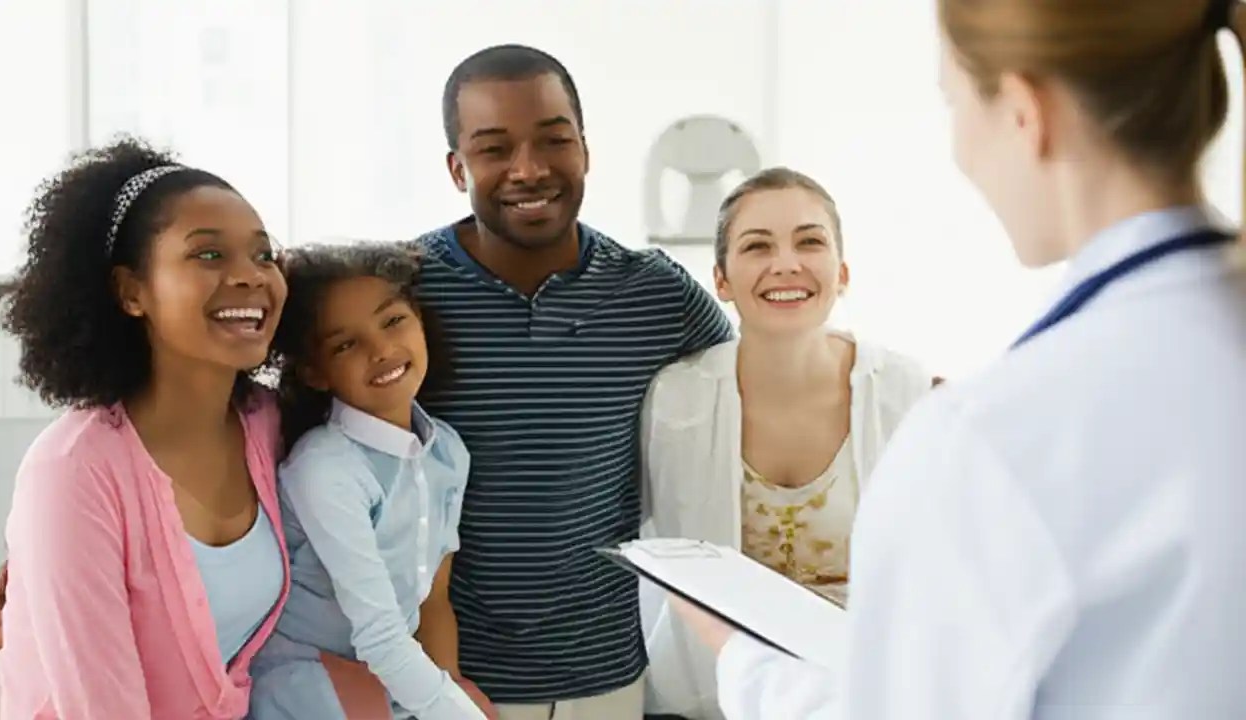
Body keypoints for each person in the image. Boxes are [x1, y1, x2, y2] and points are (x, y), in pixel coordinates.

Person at [674, 0, 1246, 718]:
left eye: (953, 102)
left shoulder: (991, 437)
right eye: (757, 244)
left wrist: (741, 655)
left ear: (1022, 110)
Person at [413, 44, 734, 718]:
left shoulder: (656, 294)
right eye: (495, 149)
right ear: (456, 167)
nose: (528, 170)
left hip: (608, 674)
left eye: (553, 141)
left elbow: (751, 385)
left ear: (585, 150)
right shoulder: (402, 293)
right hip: (452, 680)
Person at [0, 137, 291, 719]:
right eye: (208, 255)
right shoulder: (73, 471)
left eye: (263, 255)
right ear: (131, 292)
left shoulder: (270, 426)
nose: (251, 276)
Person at [639, 167, 937, 719]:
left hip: (865, 700)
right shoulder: (672, 399)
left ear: (841, 271)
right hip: (707, 704)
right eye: (757, 246)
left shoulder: (908, 394)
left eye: (810, 241)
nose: (786, 263)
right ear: (722, 280)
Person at [248, 241, 494, 720]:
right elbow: (379, 636)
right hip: (309, 677)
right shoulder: (327, 468)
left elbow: (434, 603)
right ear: (315, 373)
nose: (381, 350)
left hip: (390, 671)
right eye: (346, 344)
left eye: (393, 321)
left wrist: (454, 691)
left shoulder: (447, 451)